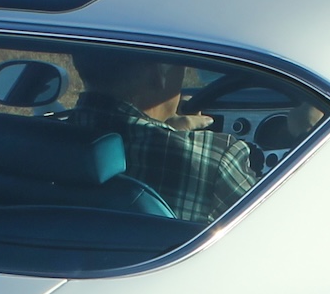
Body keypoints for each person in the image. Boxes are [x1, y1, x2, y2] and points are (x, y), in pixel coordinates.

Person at [69, 49, 257, 221]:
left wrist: (164, 130)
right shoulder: (215, 158)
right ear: (158, 73)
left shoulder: (43, 144)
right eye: (181, 66)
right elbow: (270, 233)